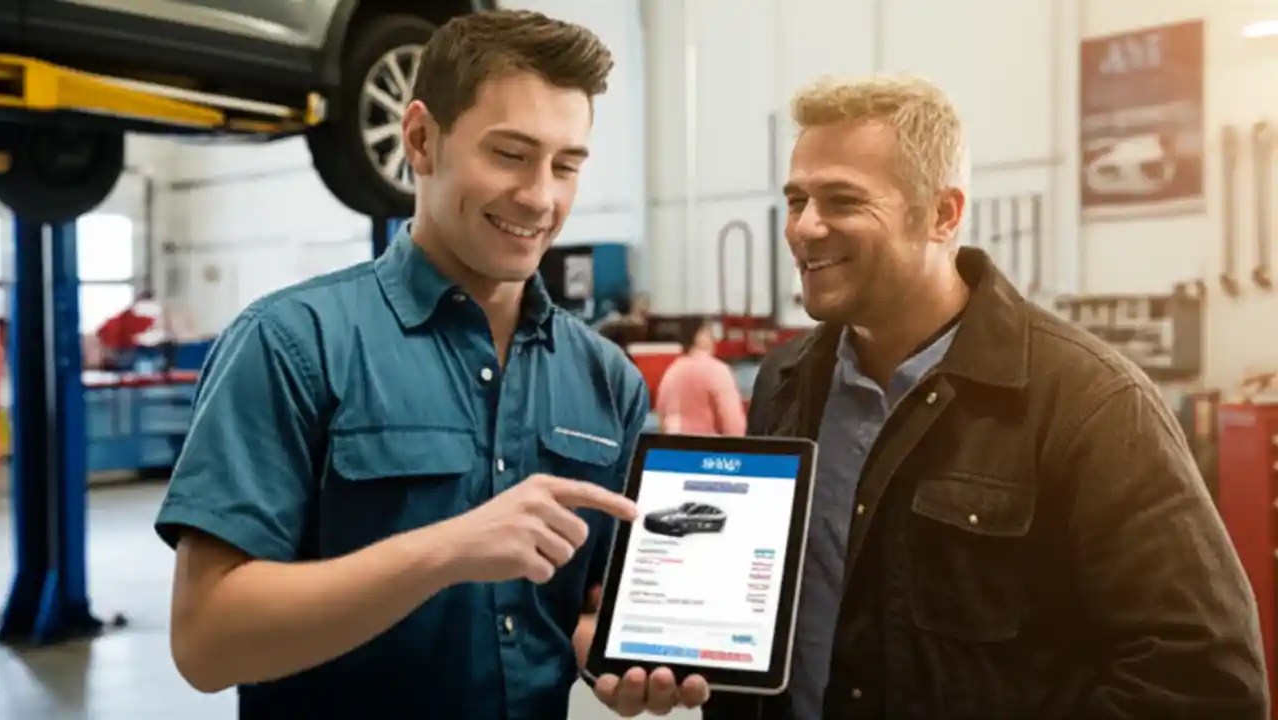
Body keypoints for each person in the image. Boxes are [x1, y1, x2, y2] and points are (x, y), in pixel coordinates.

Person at [153, 10, 708, 719]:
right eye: (510, 154)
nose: (541, 196)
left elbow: (583, 612)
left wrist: (616, 656)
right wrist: (446, 550)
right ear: (420, 139)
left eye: (566, 165)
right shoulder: (292, 344)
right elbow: (207, 641)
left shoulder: (608, 381)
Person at [703, 74, 1269, 719]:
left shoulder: (1091, 404)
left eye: (843, 200)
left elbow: (1201, 681)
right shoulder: (785, 383)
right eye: (797, 198)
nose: (805, 227)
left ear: (943, 214)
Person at [655, 316, 747, 436]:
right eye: (710, 333)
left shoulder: (671, 373)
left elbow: (661, 418)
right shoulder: (717, 370)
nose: (714, 339)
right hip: (707, 449)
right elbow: (734, 424)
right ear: (699, 336)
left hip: (674, 448)